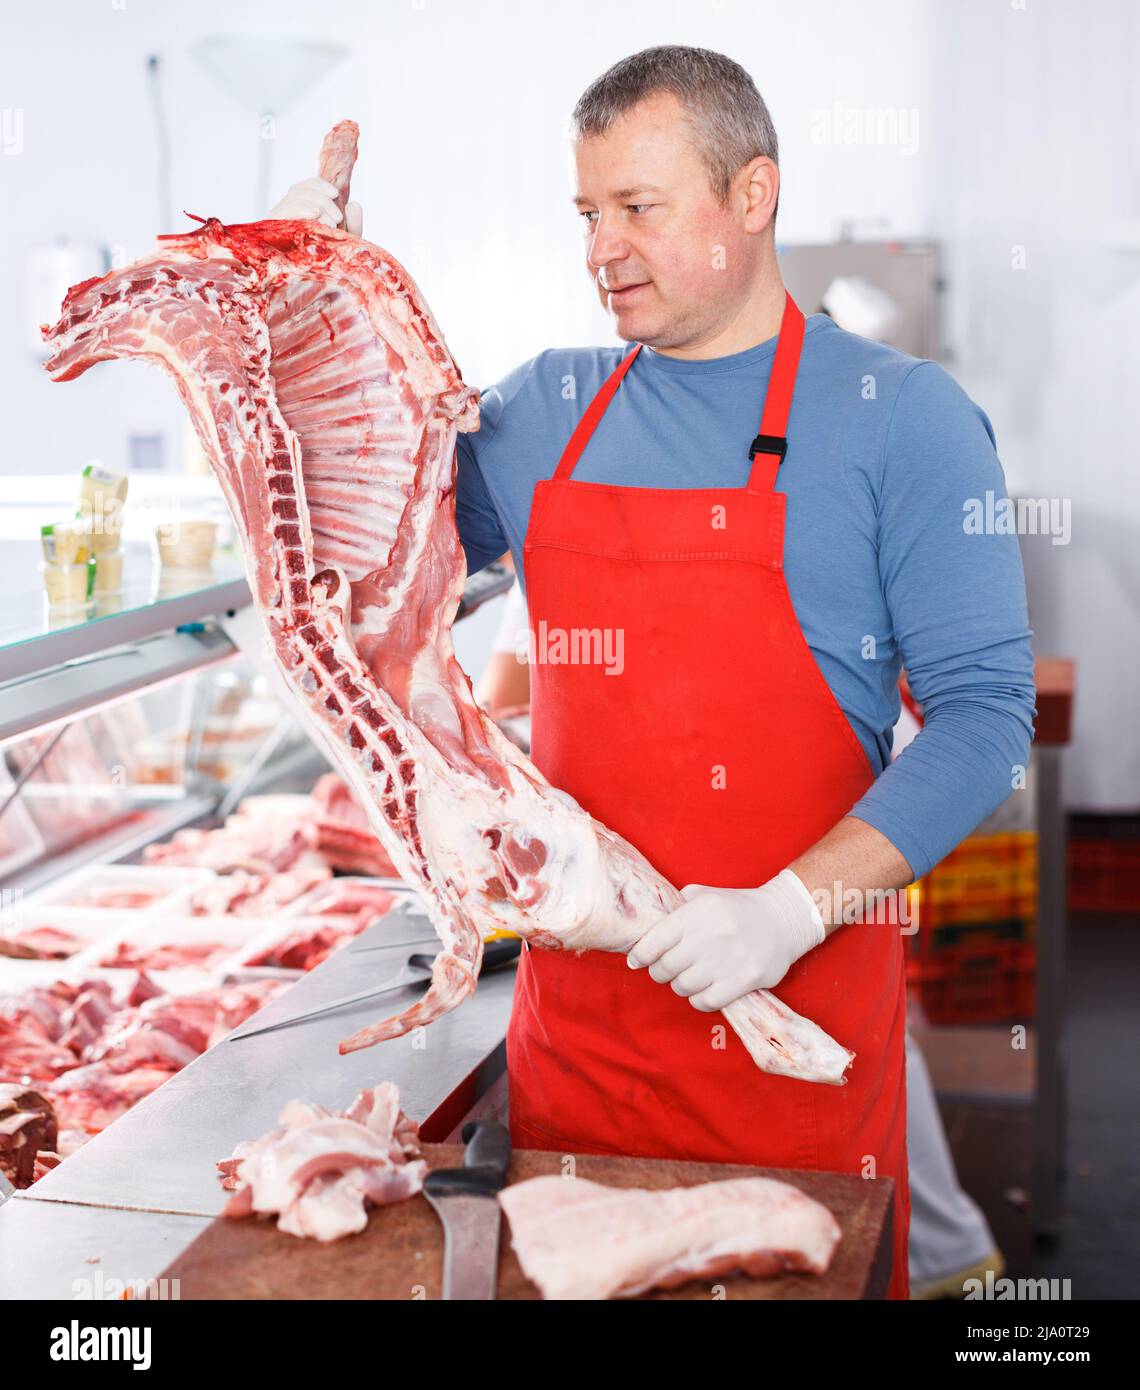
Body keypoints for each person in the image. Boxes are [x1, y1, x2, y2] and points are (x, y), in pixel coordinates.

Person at [269, 45, 1035, 1301]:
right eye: (586, 212)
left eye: (640, 208)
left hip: (797, 1052)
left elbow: (985, 720)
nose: (601, 248)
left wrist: (785, 908)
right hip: (581, 1051)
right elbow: (354, 563)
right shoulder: (540, 412)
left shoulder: (904, 418)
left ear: (753, 195)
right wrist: (314, 315)